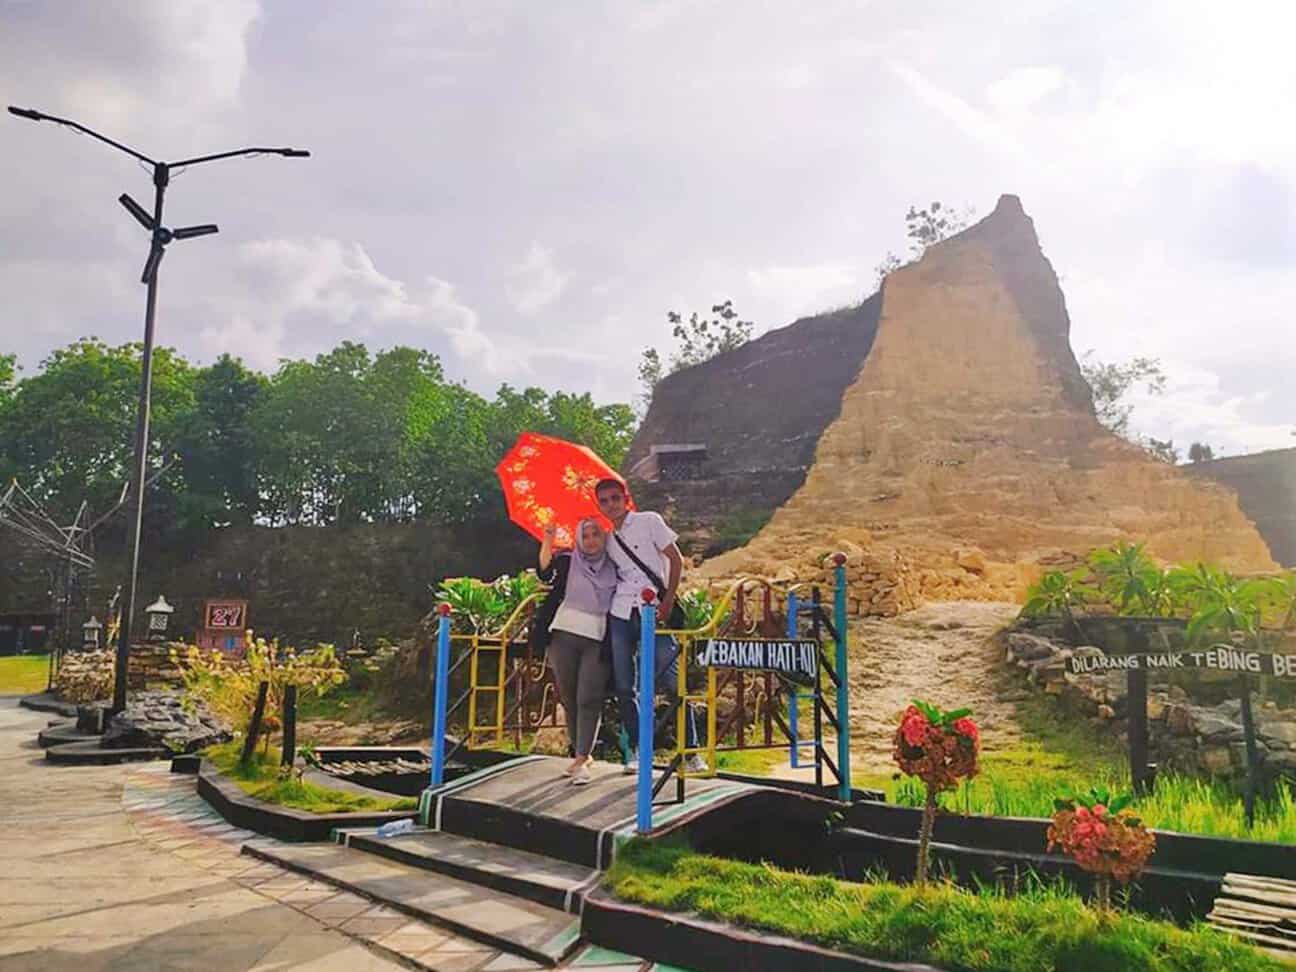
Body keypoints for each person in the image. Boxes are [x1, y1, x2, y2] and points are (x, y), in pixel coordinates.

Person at [594, 478, 706, 775]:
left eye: (614, 498)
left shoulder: (648, 521)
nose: (610, 505)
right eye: (603, 501)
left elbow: (675, 559)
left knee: (672, 681)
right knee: (624, 685)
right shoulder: (608, 539)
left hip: (654, 610)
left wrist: (667, 601)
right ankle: (638, 750)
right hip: (621, 611)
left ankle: (691, 751)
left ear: (626, 499)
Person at [533, 517, 617, 785]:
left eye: (596, 534)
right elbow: (544, 571)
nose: (591, 540)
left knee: (588, 697)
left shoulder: (615, 566)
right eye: (586, 535)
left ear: (603, 538)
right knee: (569, 698)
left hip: (598, 638)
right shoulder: (569, 561)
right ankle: (579, 753)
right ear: (579, 539)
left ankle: (582, 757)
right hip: (563, 635)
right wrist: (548, 539)